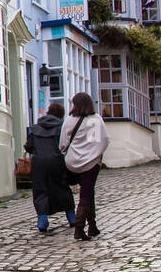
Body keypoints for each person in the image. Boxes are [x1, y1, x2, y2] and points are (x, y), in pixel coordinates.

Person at [59, 92, 109, 242]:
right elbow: (103, 140)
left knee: (89, 193)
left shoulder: (69, 120)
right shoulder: (95, 120)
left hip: (72, 162)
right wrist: (95, 154)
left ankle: (92, 226)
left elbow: (63, 142)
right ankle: (79, 228)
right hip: (91, 163)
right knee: (86, 194)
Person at [25, 102, 76, 234]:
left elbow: (28, 146)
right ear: (61, 115)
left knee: (40, 190)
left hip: (39, 163)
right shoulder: (62, 128)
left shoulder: (36, 128)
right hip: (57, 162)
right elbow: (67, 144)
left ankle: (42, 221)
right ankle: (72, 218)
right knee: (62, 188)